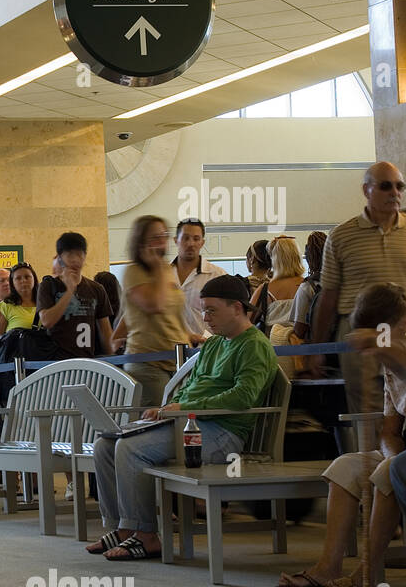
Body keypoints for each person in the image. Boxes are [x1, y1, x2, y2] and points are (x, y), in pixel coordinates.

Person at [87, 275, 277, 560]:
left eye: (212, 310)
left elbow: (243, 397)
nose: (205, 317)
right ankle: (124, 529)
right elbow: (190, 386)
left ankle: (147, 535)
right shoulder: (214, 345)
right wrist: (170, 407)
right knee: (105, 445)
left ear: (237, 307)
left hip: (221, 433)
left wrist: (184, 409)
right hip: (191, 424)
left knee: (129, 449)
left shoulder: (254, 345)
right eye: (203, 310)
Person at [278, 284, 406, 587]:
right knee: (344, 467)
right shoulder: (389, 360)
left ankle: (368, 573)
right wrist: (392, 453)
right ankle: (327, 567)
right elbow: (390, 428)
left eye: (381, 337)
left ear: (403, 324)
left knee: (388, 472)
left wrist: (386, 348)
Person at [307, 163, 406, 420]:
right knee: (368, 414)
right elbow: (329, 296)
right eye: (386, 186)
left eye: (400, 186)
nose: (395, 192)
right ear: (366, 190)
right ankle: (375, 459)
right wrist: (316, 349)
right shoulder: (341, 236)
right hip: (360, 333)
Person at [119, 215, 202, 407]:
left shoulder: (165, 269)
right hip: (148, 362)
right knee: (160, 420)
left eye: (163, 235)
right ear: (141, 242)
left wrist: (189, 335)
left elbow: (172, 313)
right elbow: (154, 305)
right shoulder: (134, 272)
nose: (161, 242)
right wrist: (157, 268)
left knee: (180, 417)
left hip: (176, 360)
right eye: (155, 237)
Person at [36, 232, 113, 360]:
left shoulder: (96, 289)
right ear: (60, 257)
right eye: (70, 254)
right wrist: (70, 291)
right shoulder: (48, 285)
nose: (75, 260)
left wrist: (112, 359)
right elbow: (46, 321)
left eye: (79, 254)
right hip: (56, 363)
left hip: (87, 361)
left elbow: (105, 331)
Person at [172, 218, 226, 340]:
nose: (191, 243)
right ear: (176, 240)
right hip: (168, 351)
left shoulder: (217, 275)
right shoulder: (162, 275)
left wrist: (209, 338)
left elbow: (228, 315)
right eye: (185, 238)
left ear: (202, 242)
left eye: (196, 239)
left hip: (206, 349)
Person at [0, 262, 38, 352]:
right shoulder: (4, 308)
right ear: (13, 283)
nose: (23, 281)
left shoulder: (45, 305)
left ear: (34, 279)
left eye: (27, 277)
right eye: (18, 278)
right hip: (15, 363)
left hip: (44, 362)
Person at [291, 230, 328, 342]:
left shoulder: (307, 287)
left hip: (318, 348)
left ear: (308, 258)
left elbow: (299, 330)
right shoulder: (343, 282)